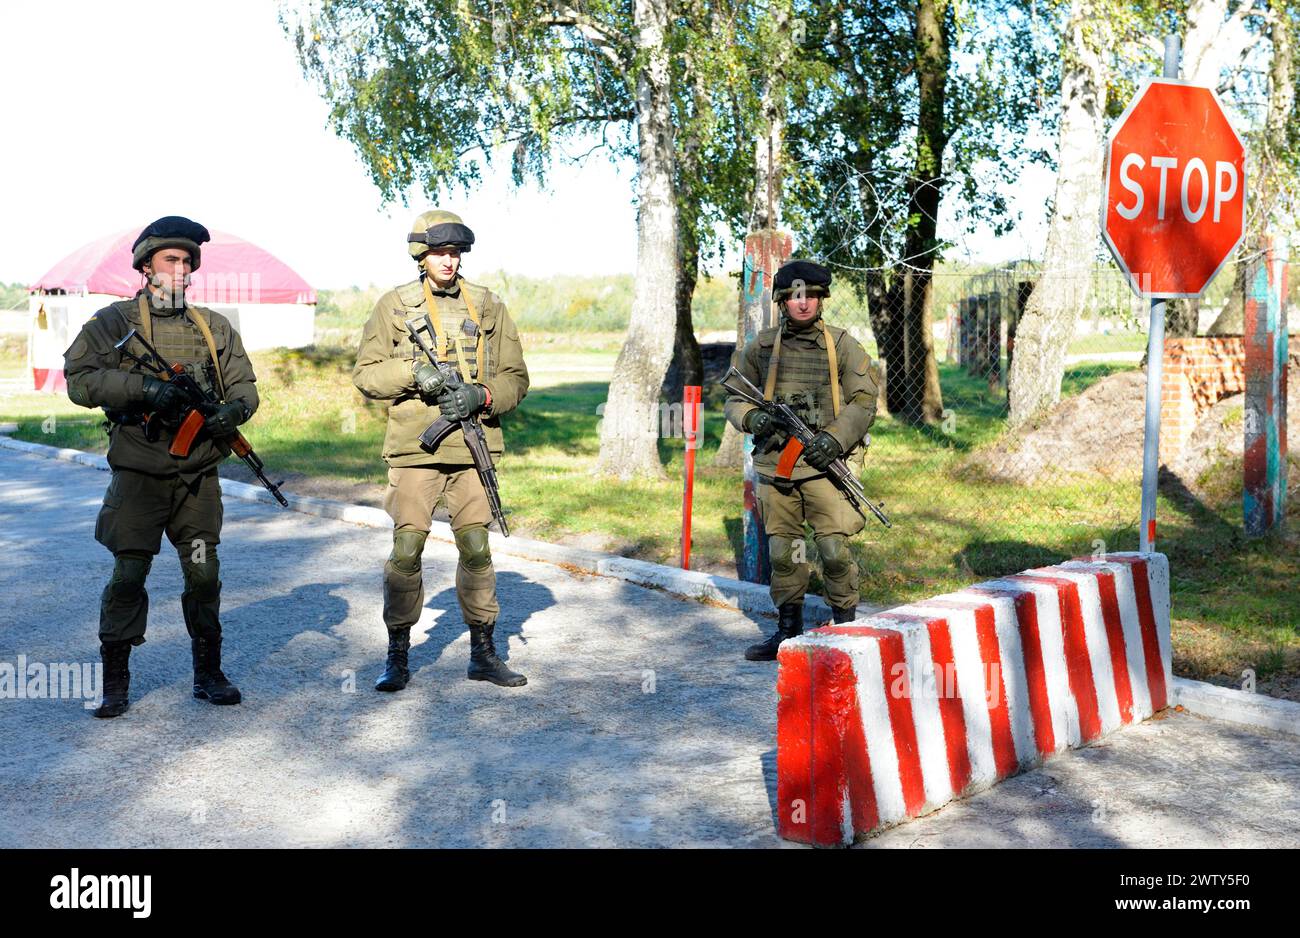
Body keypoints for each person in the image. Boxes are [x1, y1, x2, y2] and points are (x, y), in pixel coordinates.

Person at [64, 216, 260, 716]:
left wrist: (230, 413)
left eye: (188, 261)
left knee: (203, 575)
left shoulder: (213, 327)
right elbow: (80, 381)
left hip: (196, 479)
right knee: (129, 575)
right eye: (171, 260)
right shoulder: (113, 323)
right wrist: (144, 389)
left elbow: (244, 388)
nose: (182, 270)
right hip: (139, 477)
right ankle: (115, 680)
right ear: (146, 265)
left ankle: (208, 673)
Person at [353, 209, 530, 692]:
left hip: (473, 446)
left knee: (476, 546)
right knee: (407, 549)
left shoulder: (487, 306)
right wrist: (413, 372)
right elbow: (366, 374)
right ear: (421, 256)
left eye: (455, 253)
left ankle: (484, 652)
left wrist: (483, 395)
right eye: (439, 253)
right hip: (416, 449)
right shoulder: (395, 305)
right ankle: (398, 653)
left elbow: (517, 376)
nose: (449, 262)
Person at [723, 259, 879, 661]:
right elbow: (734, 397)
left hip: (827, 465)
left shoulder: (843, 345)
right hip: (777, 466)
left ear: (822, 299)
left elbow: (864, 401)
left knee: (832, 551)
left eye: (811, 295)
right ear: (781, 300)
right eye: (795, 296)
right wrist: (752, 417)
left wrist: (833, 438)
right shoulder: (760, 348)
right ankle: (787, 633)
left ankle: (847, 629)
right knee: (783, 552)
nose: (804, 303)